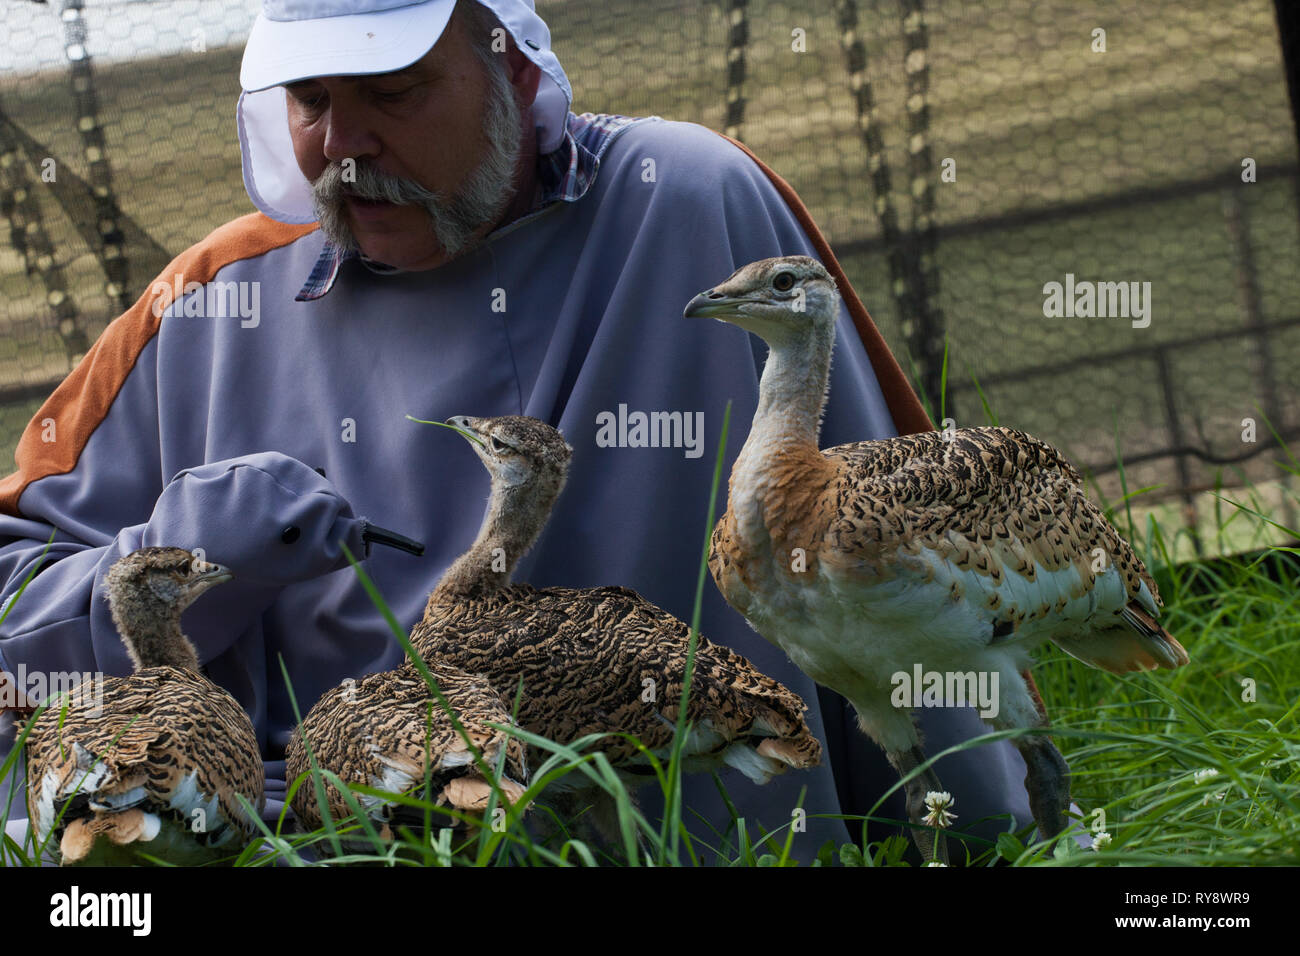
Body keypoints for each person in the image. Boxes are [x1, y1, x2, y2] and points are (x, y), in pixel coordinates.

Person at [0, 0, 1036, 862]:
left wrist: (977, 821)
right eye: (311, 102)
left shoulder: (686, 205)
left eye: (394, 95)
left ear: (518, 76)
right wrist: (165, 559)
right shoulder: (211, 305)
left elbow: (873, 545)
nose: (344, 146)